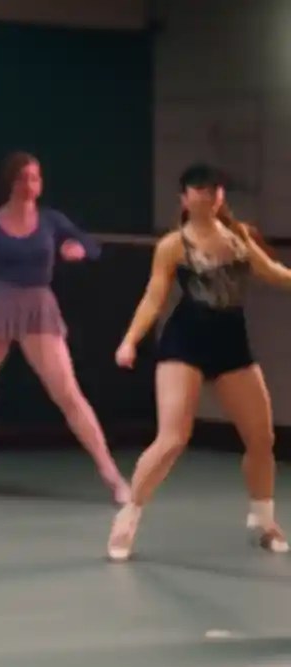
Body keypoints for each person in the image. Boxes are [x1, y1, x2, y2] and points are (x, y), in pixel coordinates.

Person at [108, 163, 288, 560]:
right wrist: (130, 341)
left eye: (214, 189)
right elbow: (154, 297)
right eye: (199, 189)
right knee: (173, 438)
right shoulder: (174, 244)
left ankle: (263, 518)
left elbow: (274, 273)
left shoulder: (239, 237)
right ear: (185, 198)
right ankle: (129, 515)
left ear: (221, 196)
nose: (208, 195)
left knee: (262, 438)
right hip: (185, 342)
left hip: (231, 343)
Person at [0, 152, 128, 502]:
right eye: (25, 178)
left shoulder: (51, 221)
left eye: (36, 178)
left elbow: (91, 246)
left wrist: (77, 247)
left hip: (38, 309)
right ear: (13, 182)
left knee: (68, 394)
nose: (32, 184)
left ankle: (112, 475)